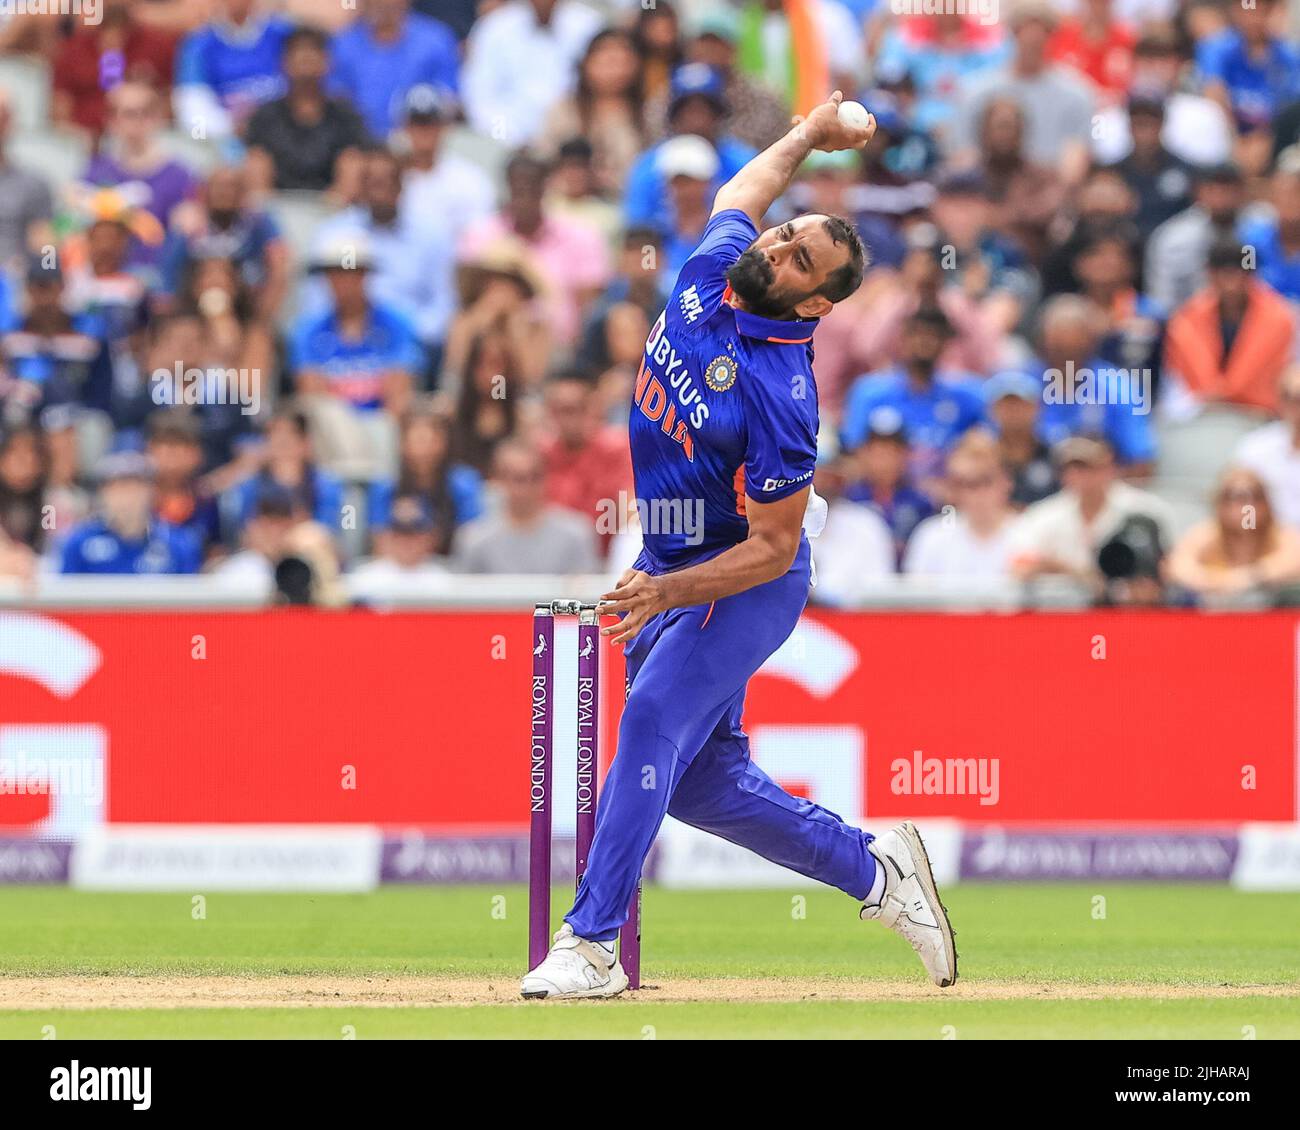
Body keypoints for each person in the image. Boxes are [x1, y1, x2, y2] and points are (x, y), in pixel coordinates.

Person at [522, 92, 957, 1000]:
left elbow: (770, 548)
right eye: (784, 233)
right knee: (700, 781)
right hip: (676, 561)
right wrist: (808, 134)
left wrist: (663, 590)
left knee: (646, 723)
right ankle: (878, 872)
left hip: (745, 583)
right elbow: (742, 192)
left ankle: (592, 943)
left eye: (800, 256)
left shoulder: (781, 391)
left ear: (820, 301)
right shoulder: (715, 263)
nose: (776, 246)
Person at [59, 451, 202, 575]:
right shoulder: (79, 543)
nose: (127, 498)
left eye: (135, 487)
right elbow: (65, 598)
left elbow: (189, 599)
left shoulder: (178, 543)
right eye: (118, 488)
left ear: (151, 492)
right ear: (103, 494)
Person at [1166, 467, 1300, 599]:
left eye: (1253, 497)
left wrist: (1248, 578)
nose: (1244, 507)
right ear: (1219, 503)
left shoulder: (1284, 535)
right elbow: (1177, 567)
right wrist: (1220, 581)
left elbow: (1293, 562)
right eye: (1232, 497)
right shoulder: (1205, 534)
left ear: (1266, 503)